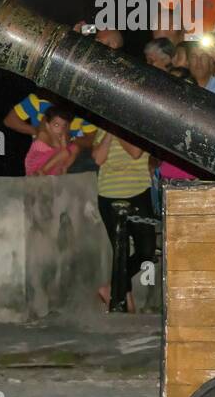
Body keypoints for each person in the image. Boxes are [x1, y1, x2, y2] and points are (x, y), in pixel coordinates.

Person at [93, 126, 155, 313]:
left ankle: (112, 287)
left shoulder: (141, 129)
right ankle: (126, 300)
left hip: (138, 192)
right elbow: (98, 158)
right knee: (121, 251)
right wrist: (109, 133)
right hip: (109, 195)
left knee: (147, 251)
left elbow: (136, 153)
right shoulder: (103, 130)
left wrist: (116, 130)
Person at [24, 108, 79, 176]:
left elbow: (66, 149)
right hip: (35, 171)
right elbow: (63, 152)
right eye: (56, 125)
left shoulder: (63, 134)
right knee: (64, 153)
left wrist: (63, 141)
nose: (60, 129)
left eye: (64, 126)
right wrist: (62, 145)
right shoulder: (42, 138)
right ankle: (43, 171)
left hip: (52, 169)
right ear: (48, 126)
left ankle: (63, 168)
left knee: (75, 148)